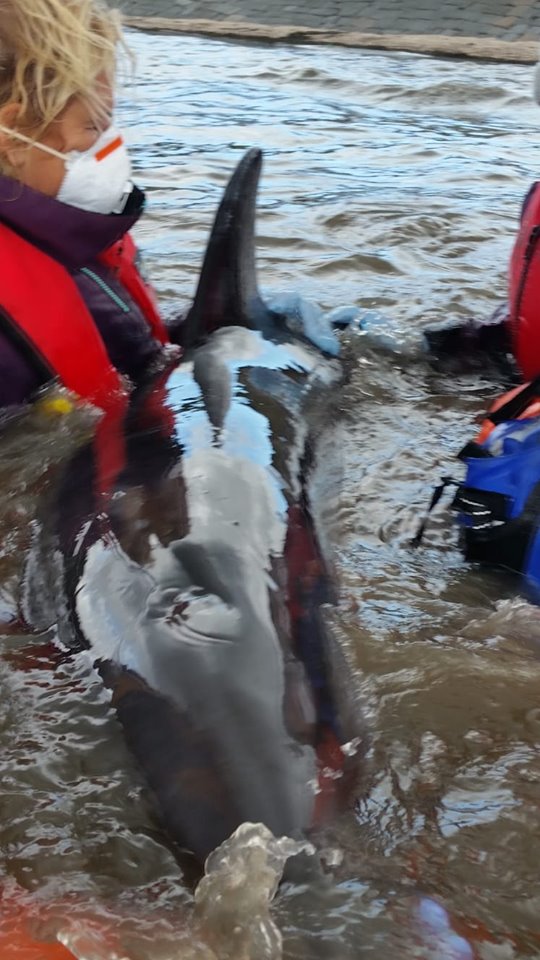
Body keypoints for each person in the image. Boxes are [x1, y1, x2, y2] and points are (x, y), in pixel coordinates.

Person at [0, 0, 179, 414]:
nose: (112, 146)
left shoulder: (63, 240)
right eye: (93, 127)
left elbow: (124, 343)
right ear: (12, 134)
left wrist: (225, 326)